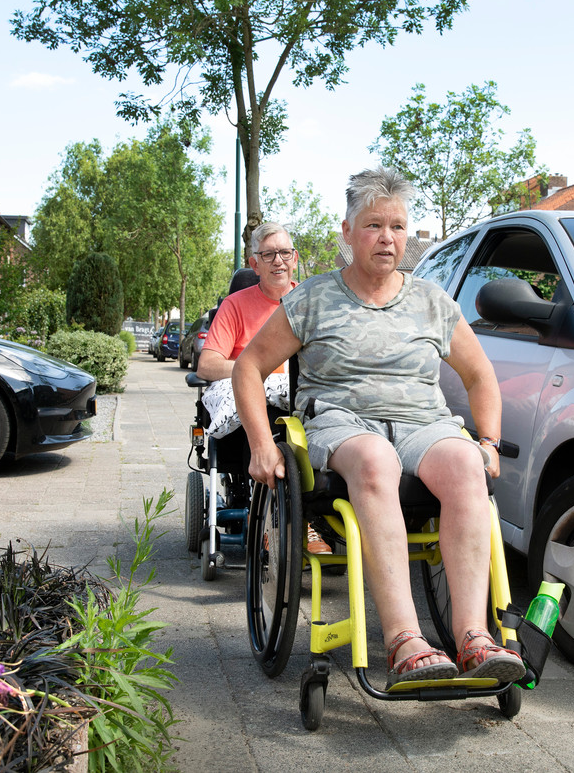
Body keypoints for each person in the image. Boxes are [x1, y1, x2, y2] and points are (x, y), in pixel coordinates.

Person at [232, 166, 524, 690]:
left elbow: (480, 375)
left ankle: (474, 637)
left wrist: (488, 441)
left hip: (422, 424)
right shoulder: (312, 299)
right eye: (373, 225)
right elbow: (248, 367)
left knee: (466, 465)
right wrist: (259, 443)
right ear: (347, 232)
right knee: (375, 459)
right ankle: (404, 640)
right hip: (342, 424)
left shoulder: (432, 302)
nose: (387, 238)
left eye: (397, 226)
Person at [197, 221, 331, 555]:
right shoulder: (235, 305)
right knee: (260, 413)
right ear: (254, 264)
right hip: (259, 399)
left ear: (295, 258)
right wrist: (257, 371)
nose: (278, 261)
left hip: (302, 396)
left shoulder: (313, 303)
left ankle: (315, 518)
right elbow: (207, 365)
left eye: (284, 253)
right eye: (268, 255)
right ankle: (274, 521)